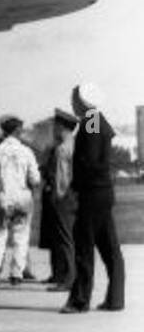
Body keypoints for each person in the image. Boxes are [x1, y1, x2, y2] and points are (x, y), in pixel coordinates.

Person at [62, 84, 125, 313]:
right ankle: (115, 298)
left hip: (92, 192)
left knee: (84, 246)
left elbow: (89, 159)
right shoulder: (96, 120)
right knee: (109, 247)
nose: (72, 102)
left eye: (74, 98)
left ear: (83, 100)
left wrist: (76, 184)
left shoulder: (91, 120)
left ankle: (80, 300)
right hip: (102, 191)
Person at [0, 114, 42, 285]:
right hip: (22, 197)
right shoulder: (27, 151)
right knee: (21, 236)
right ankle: (17, 273)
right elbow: (35, 179)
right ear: (17, 130)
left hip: (3, 196)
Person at [39, 108, 77, 292]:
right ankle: (64, 275)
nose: (54, 129)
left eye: (56, 125)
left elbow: (62, 179)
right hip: (72, 196)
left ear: (62, 127)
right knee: (66, 237)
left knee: (65, 238)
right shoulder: (72, 144)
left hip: (63, 197)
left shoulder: (62, 149)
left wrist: (57, 197)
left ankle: (68, 278)